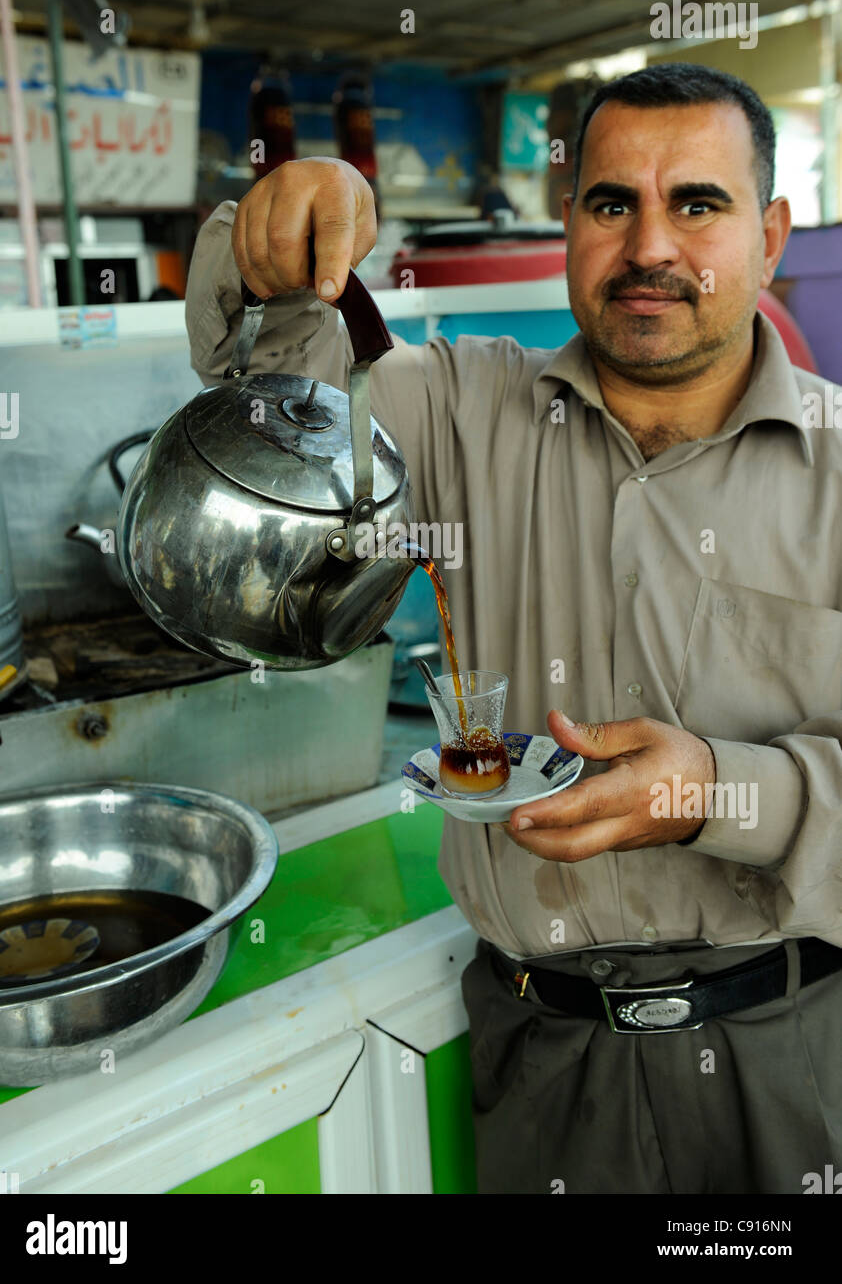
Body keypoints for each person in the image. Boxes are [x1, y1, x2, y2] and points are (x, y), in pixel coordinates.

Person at [184, 63, 842, 1195]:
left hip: (792, 1053)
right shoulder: (453, 409)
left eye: (696, 203)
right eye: (607, 204)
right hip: (545, 1061)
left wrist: (721, 790)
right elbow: (278, 414)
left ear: (770, 234)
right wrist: (279, 251)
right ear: (565, 223)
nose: (647, 247)